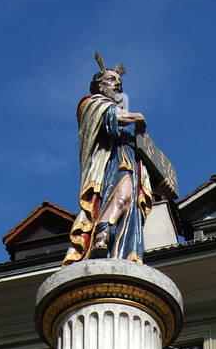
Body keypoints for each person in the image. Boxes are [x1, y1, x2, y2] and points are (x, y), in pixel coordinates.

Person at [64, 55, 153, 264]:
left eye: (119, 83)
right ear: (99, 85)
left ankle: (120, 249)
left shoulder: (114, 108)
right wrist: (137, 117)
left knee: (130, 204)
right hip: (110, 164)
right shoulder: (92, 103)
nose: (117, 86)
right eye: (112, 80)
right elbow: (113, 118)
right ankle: (102, 235)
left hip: (128, 159)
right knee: (123, 196)